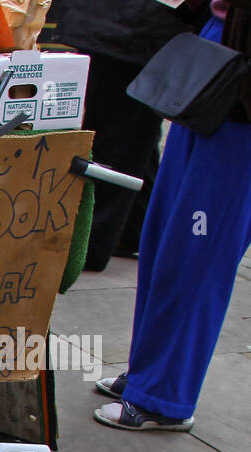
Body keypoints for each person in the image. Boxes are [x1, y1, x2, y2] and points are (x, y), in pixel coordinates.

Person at [95, 0, 251, 430]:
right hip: (215, 63)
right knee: (166, 235)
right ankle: (149, 377)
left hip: (240, 98)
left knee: (200, 251)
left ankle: (164, 398)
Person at [45, 0, 210, 270]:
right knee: (127, 132)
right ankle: (132, 230)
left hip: (130, 28)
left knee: (124, 136)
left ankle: (97, 242)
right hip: (130, 27)